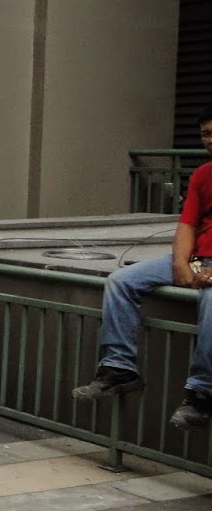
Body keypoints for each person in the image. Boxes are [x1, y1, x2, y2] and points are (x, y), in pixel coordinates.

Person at [72, 106, 212, 430]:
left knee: (210, 301)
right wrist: (180, 264)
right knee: (120, 281)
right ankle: (119, 368)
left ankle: (201, 395)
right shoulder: (203, 174)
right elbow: (187, 225)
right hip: (195, 259)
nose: (209, 139)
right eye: (205, 133)